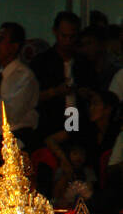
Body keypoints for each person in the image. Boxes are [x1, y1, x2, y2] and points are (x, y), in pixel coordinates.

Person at [32, 12, 95, 141]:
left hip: (78, 122)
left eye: (72, 37)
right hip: (50, 122)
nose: (67, 41)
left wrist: (86, 93)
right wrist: (54, 92)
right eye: (64, 36)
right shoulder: (41, 62)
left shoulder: (84, 63)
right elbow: (30, 97)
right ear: (55, 32)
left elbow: (95, 91)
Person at [0, 23, 38, 143]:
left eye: (0, 40)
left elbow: (11, 115)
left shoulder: (25, 76)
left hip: (18, 138)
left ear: (14, 47)